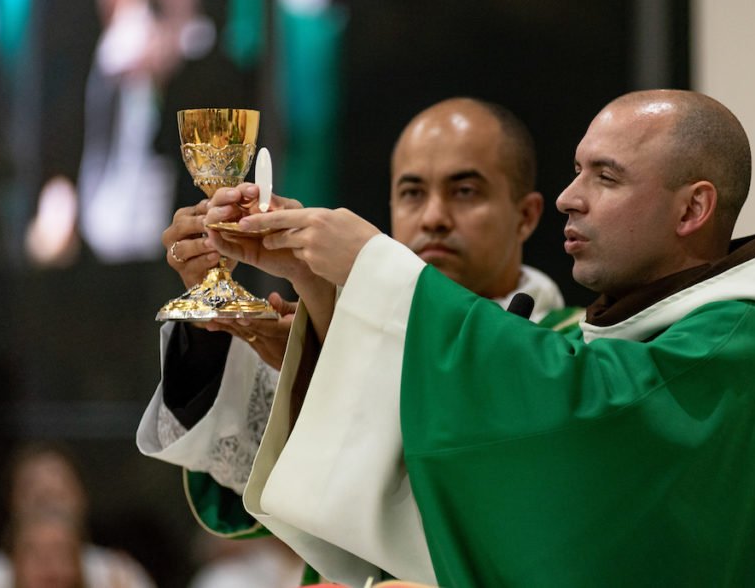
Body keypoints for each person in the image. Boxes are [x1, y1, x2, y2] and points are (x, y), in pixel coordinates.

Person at [205, 90, 755, 586]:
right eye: (576, 170)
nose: (571, 197)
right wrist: (320, 298)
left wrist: (375, 265)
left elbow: (576, 419)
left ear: (692, 209)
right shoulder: (681, 336)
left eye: (606, 176)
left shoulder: (739, 341)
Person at [136, 98, 571, 552]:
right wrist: (222, 319)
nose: (434, 217)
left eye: (465, 192)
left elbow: (471, 496)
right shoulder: (344, 323)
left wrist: (331, 349)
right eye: (412, 193)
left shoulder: (568, 350)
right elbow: (246, 478)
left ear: (527, 215)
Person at [0, 444, 155, 588]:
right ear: (12, 499)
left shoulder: (119, 576)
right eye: (35, 493)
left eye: (59, 492)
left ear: (83, 497)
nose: (48, 503)